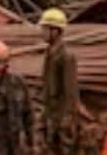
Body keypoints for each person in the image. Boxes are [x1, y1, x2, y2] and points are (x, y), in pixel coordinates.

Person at [39, 8, 80, 155]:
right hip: (52, 113)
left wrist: (68, 118)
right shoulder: (49, 54)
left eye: (45, 28)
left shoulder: (66, 57)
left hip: (62, 115)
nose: (42, 32)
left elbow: (71, 90)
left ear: (55, 31)